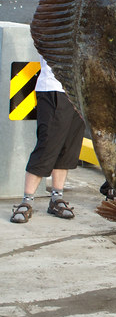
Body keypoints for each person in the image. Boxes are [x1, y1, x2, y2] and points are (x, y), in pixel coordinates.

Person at [10, 52, 85, 223]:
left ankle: (56, 199)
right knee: (47, 145)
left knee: (67, 148)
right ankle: (26, 202)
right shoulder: (56, 23)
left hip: (78, 92)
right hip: (54, 89)